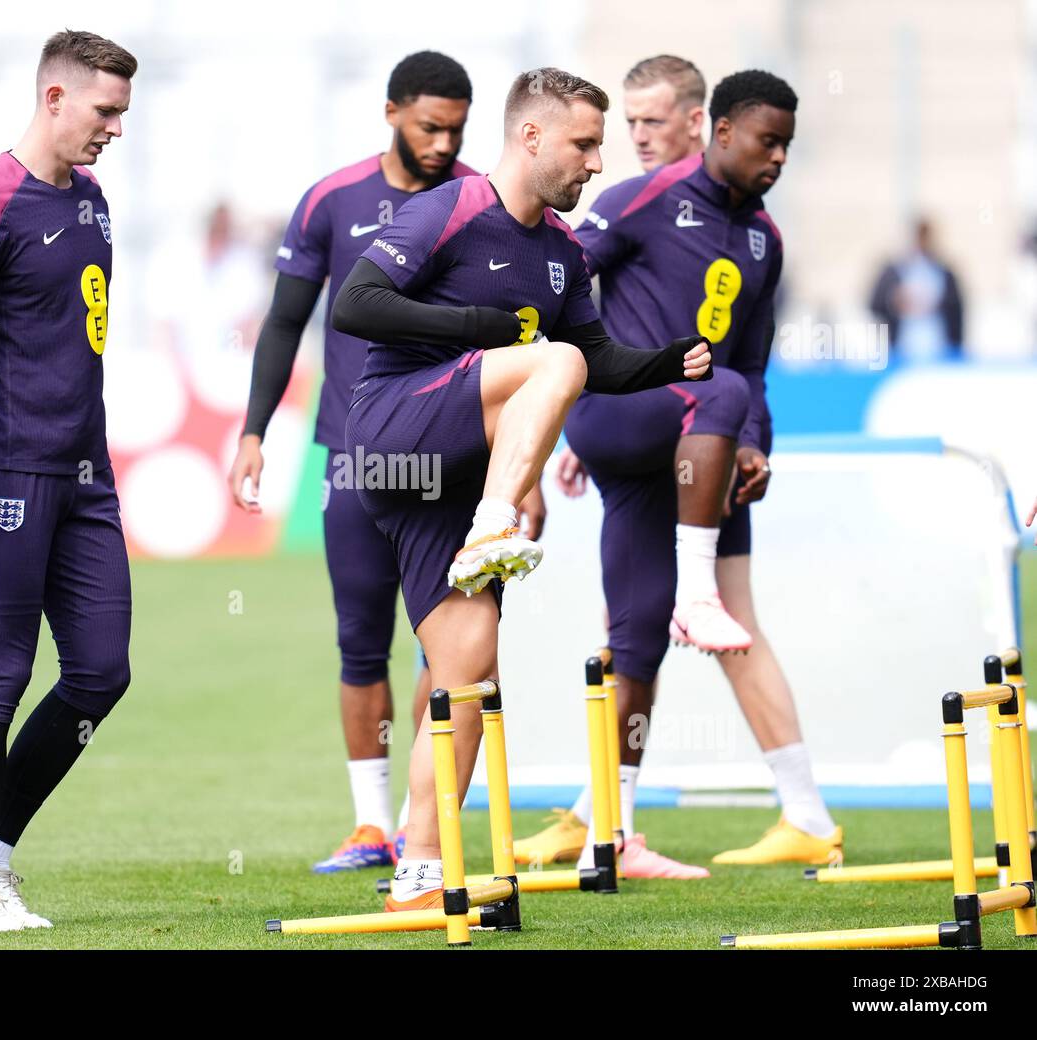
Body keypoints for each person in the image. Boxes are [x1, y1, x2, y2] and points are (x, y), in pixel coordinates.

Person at [334, 66, 711, 910]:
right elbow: (356, 304)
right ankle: (501, 519)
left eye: (599, 147)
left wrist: (664, 362)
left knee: (465, 674)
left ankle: (421, 873)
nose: (596, 163)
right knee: (555, 360)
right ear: (531, 137)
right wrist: (473, 332)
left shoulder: (564, 252)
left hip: (452, 478)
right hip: (394, 430)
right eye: (583, 144)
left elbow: (595, 360)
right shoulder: (450, 209)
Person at [517, 64, 843, 875]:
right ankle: (694, 598)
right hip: (633, 419)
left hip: (707, 439)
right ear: (724, 131)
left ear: (697, 121)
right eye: (770, 142)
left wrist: (757, 441)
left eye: (788, 146)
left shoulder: (764, 238)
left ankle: (610, 830)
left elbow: (754, 362)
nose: (780, 158)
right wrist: (551, 415)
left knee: (635, 638)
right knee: (715, 392)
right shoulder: (642, 201)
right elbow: (559, 286)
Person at [229, 52, 544, 873]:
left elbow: (541, 358)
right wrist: (256, 430)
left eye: (456, 128)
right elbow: (285, 321)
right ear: (390, 112)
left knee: (447, 649)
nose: (443, 142)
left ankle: (419, 827)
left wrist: (529, 473)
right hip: (353, 456)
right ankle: (370, 824)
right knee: (359, 641)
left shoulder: (480, 203)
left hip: (453, 458)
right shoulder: (332, 202)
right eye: (427, 125)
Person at [0, 29, 137, 931]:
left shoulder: (90, 201)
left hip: (85, 475)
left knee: (101, 672)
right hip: (5, 469)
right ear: (54, 98)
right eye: (104, 111)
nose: (115, 130)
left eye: (123, 114)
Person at [869, 217, 965, 361]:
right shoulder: (895, 271)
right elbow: (876, 303)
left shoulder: (943, 272)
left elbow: (957, 310)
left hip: (938, 346)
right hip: (902, 347)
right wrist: (895, 303)